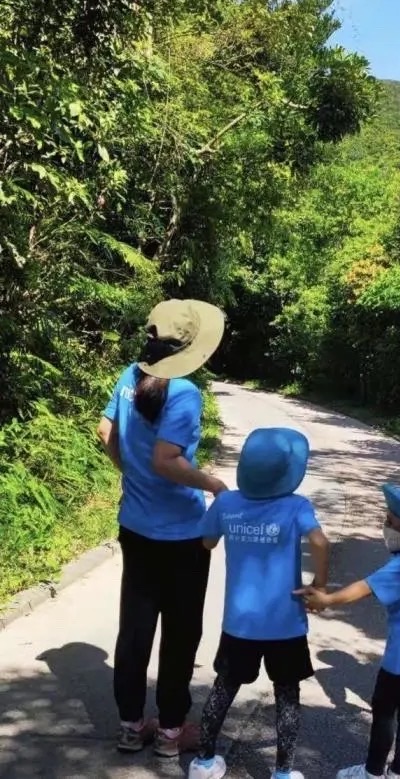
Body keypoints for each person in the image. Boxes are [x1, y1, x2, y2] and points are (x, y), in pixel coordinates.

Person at [97, 299, 229, 757]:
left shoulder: (128, 377)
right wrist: (213, 482)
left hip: (135, 526)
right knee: (180, 633)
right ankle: (171, 732)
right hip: (183, 536)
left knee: (134, 629)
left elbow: (104, 433)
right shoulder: (185, 392)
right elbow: (166, 459)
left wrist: (128, 474)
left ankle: (131, 725)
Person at [188, 426, 330, 779]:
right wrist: (320, 587)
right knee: (287, 694)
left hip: (240, 621)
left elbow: (206, 543)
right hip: (285, 622)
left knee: (225, 687)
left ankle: (204, 762)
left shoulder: (227, 503)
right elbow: (321, 543)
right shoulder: (296, 506)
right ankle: (283, 771)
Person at [297, 484, 400, 779]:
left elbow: (362, 588)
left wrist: (327, 599)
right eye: (388, 522)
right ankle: (397, 774)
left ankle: (371, 773)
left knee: (384, 712)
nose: (390, 530)